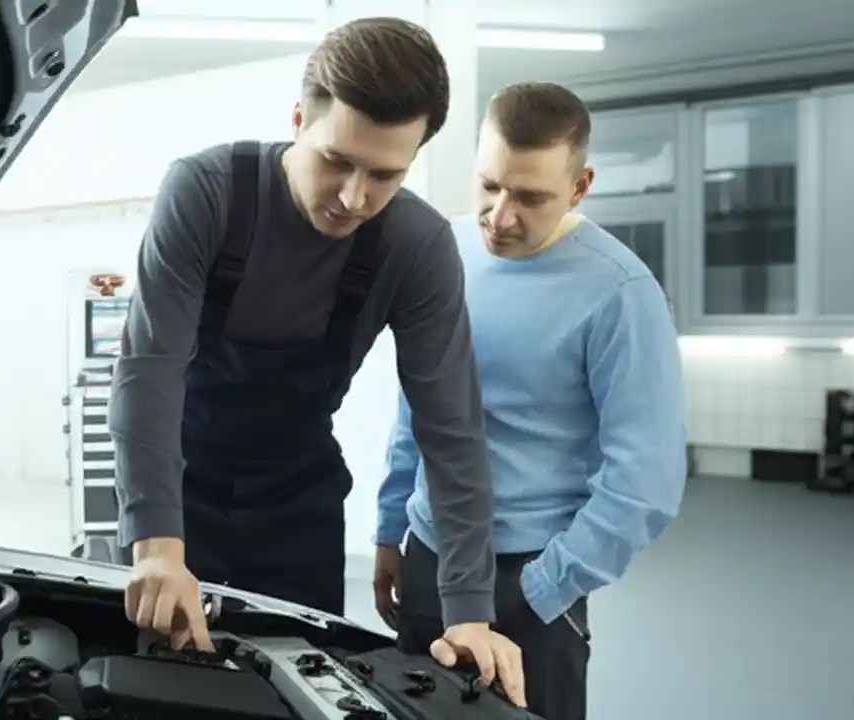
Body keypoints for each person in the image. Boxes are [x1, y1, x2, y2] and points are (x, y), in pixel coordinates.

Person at [108, 17, 526, 706]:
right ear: (299, 119)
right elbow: (148, 373)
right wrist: (156, 546)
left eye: (385, 174)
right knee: (162, 691)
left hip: (298, 508)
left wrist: (469, 614)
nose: (354, 198)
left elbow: (451, 430)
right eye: (337, 159)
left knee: (297, 694)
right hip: (177, 492)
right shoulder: (206, 194)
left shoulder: (415, 246)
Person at [373, 82, 688, 719]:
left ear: (579, 186)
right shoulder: (446, 250)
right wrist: (391, 527)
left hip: (534, 575)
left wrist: (546, 588)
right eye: (489, 186)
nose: (501, 215)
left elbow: (646, 478)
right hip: (431, 554)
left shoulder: (621, 293)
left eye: (531, 197)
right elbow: (420, 402)